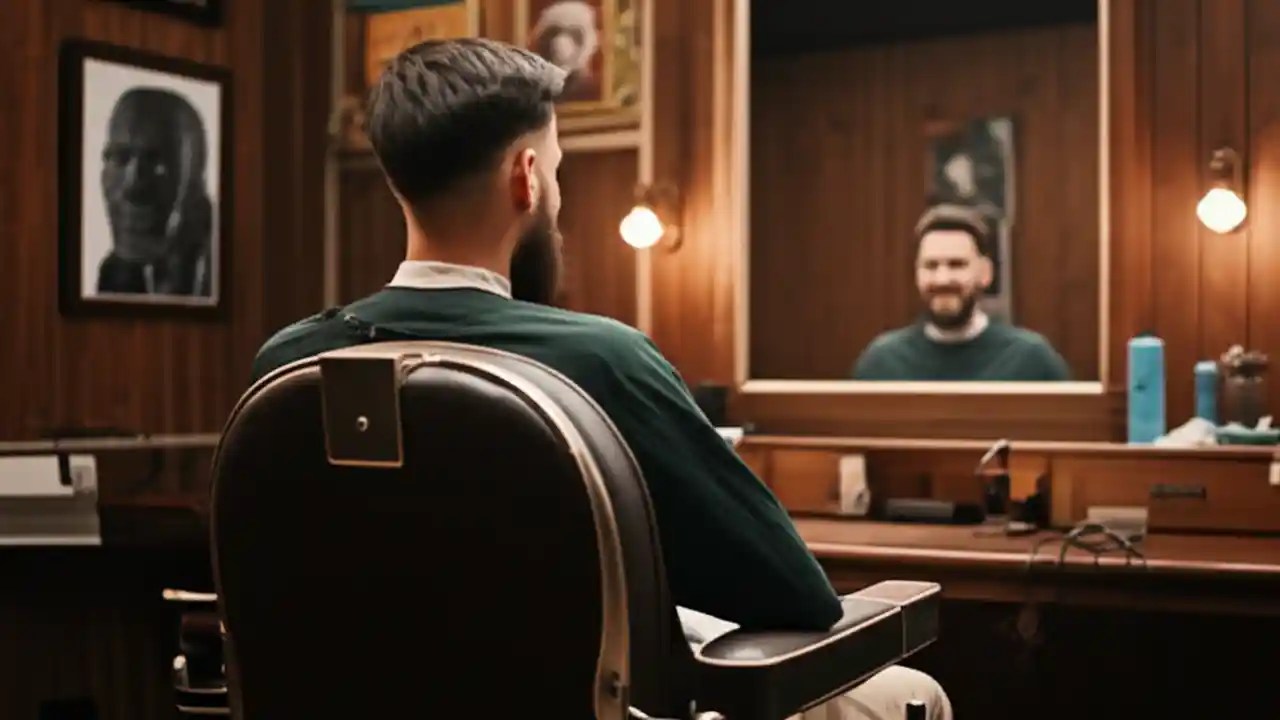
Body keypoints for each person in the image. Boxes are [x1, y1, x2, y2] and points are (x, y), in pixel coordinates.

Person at [250, 38, 951, 720]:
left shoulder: (290, 364)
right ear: (527, 177)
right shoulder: (601, 362)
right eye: (557, 171)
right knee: (908, 692)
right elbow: (796, 599)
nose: (554, 190)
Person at [851, 204, 1070, 382]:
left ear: (985, 273)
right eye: (931, 265)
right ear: (916, 274)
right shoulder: (881, 362)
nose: (942, 279)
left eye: (956, 265)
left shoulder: (1031, 360)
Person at [98, 87, 213, 298]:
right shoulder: (114, 273)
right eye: (120, 158)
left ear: (195, 182)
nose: (132, 186)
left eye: (156, 163)